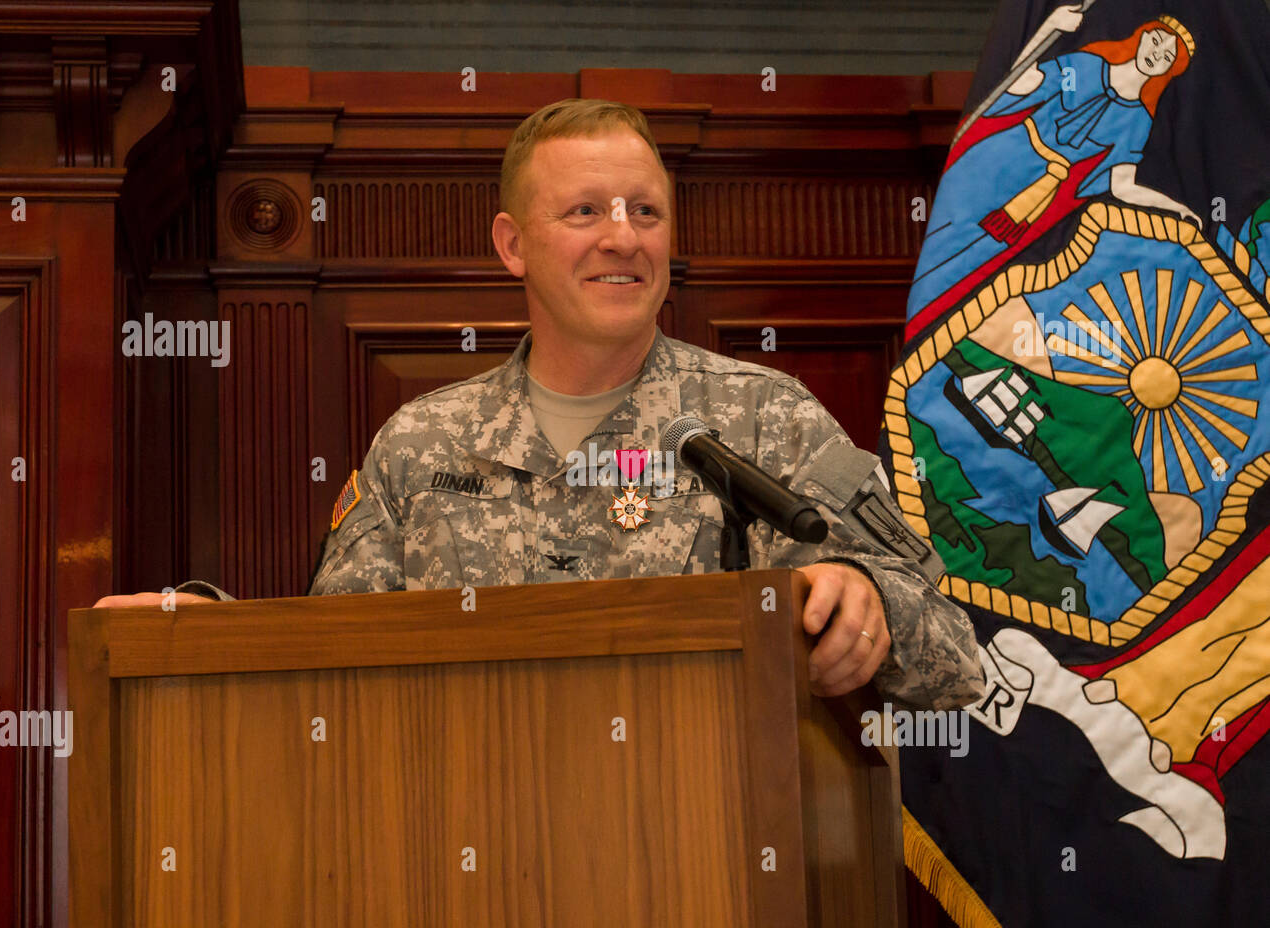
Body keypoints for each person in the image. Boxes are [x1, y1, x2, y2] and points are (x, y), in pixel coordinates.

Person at [97, 98, 985, 710]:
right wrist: (209, 635)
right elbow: (336, 653)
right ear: (513, 245)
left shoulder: (760, 419)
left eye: (647, 211)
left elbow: (953, 652)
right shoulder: (422, 442)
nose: (623, 237)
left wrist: (868, 601)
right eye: (586, 211)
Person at [907, 9, 1198, 340]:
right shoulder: (1087, 66)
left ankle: (938, 337)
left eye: (1166, 56)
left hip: (1037, 198)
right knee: (949, 237)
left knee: (976, 264)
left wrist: (1176, 207)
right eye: (1156, 41)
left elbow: (1122, 185)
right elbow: (1024, 85)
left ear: (1169, 70)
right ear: (1143, 36)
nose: (1155, 54)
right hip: (999, 160)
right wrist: (1049, 28)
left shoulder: (1137, 120)